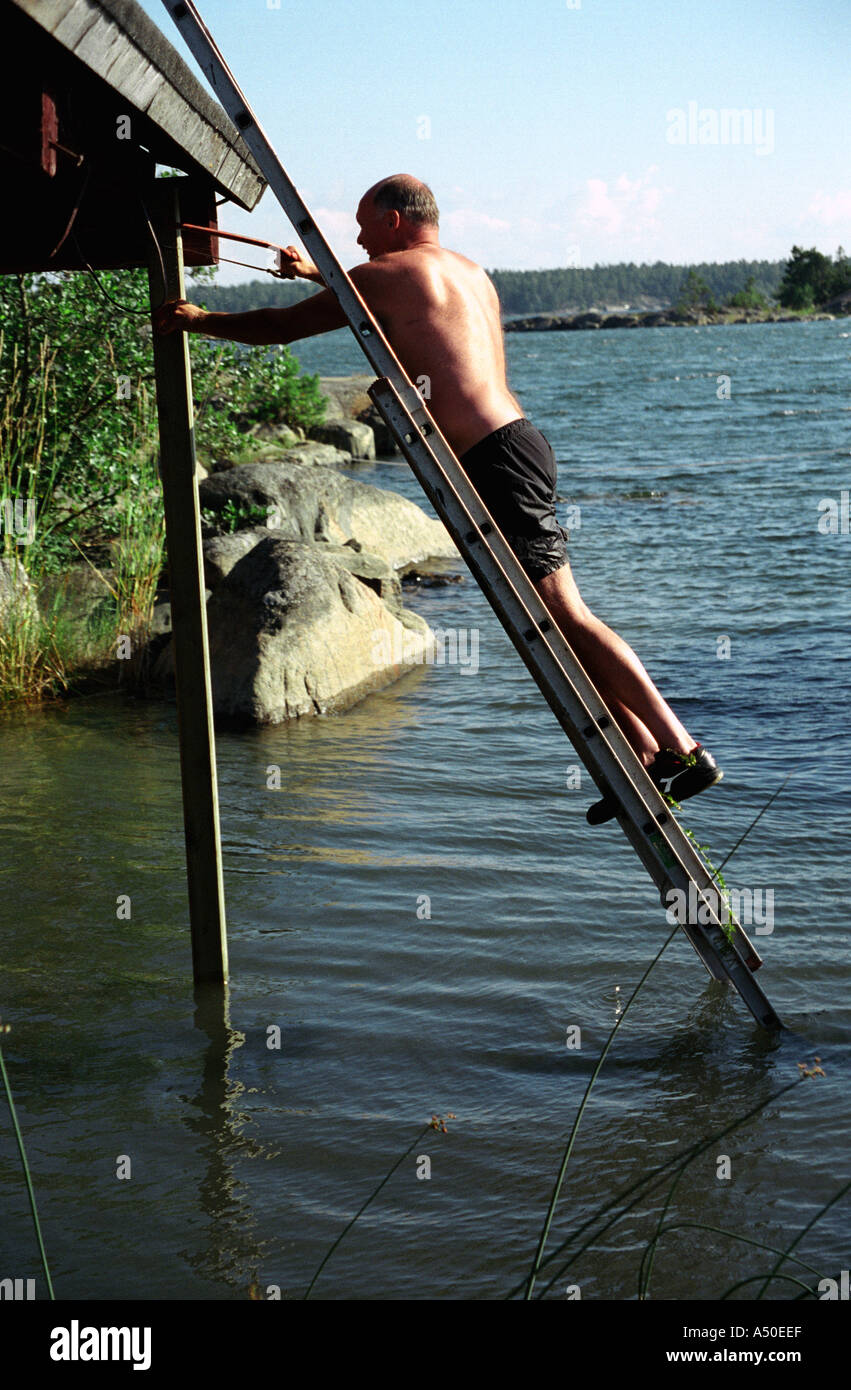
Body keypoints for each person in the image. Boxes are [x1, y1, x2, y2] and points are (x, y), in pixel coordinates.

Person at [153, 173, 722, 824]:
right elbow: (400, 308)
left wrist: (200, 320)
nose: (358, 238)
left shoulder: (378, 275)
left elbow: (281, 328)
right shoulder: (469, 273)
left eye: (365, 225)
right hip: (512, 443)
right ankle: (647, 757)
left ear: (394, 220)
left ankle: (682, 748)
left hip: (494, 457)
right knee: (551, 625)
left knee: (564, 614)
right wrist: (318, 271)